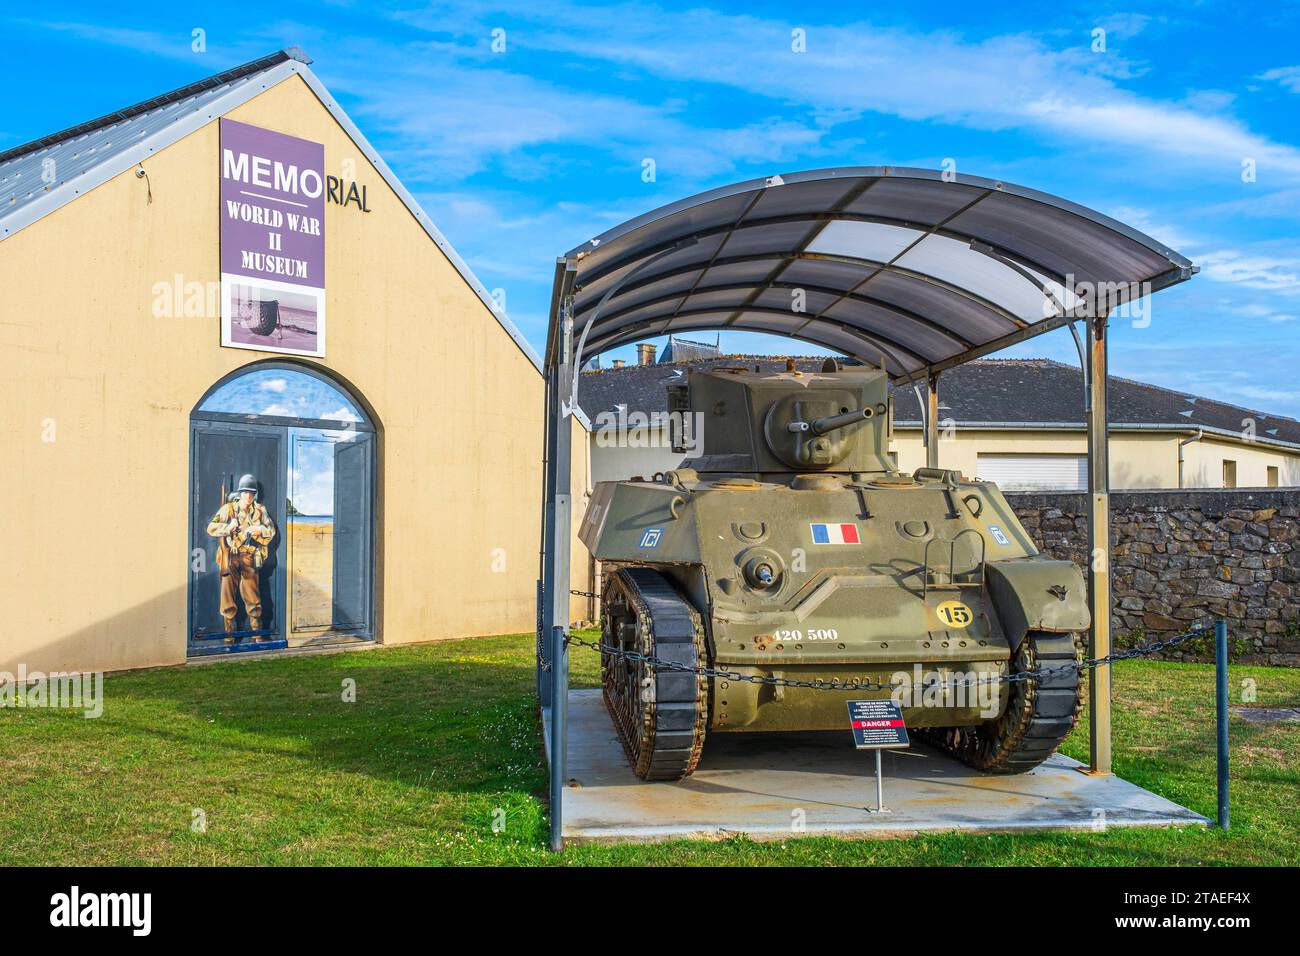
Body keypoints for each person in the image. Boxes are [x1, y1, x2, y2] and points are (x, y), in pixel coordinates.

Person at [206, 474, 275, 642]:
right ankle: (229, 635)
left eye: (251, 492)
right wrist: (228, 527)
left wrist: (259, 530)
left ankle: (256, 634)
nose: (248, 496)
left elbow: (271, 532)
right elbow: (211, 528)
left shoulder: (260, 510)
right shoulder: (228, 509)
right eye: (245, 492)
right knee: (227, 596)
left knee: (253, 597)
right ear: (240, 493)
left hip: (249, 557)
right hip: (230, 556)